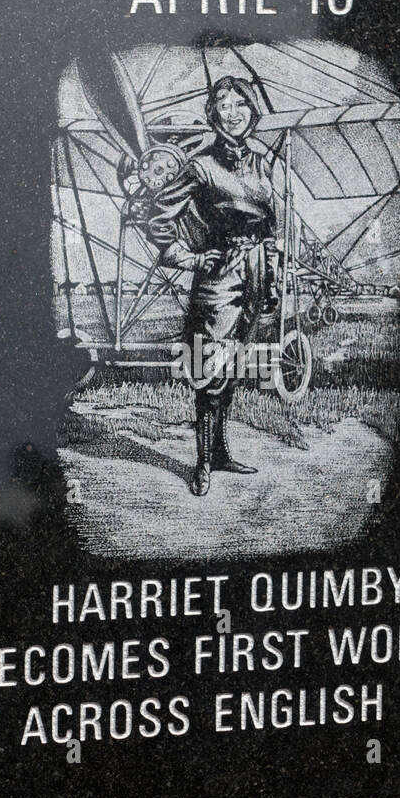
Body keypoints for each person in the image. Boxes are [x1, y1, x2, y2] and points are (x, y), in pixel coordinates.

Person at [147, 75, 279, 496]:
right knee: (210, 371)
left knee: (235, 367)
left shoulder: (261, 163)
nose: (234, 112)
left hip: (255, 277)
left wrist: (271, 279)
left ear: (252, 109)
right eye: (224, 105)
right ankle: (202, 463)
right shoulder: (201, 165)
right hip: (219, 281)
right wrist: (190, 258)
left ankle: (221, 453)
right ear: (213, 114)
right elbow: (158, 217)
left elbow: (270, 227)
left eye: (241, 103)